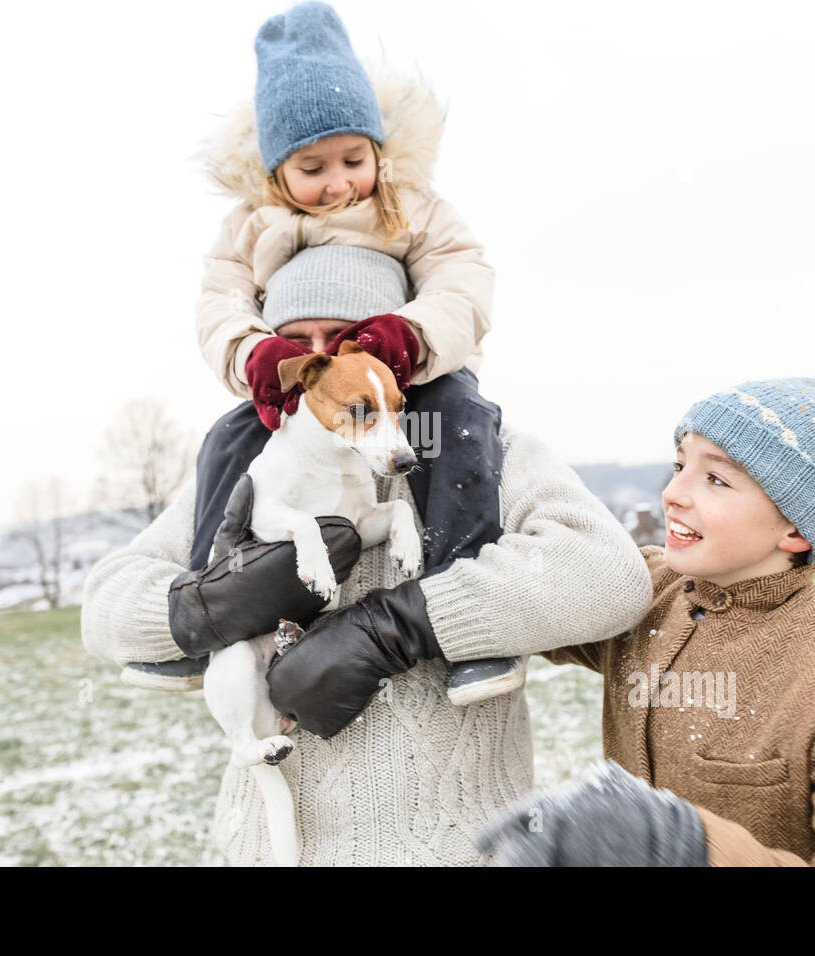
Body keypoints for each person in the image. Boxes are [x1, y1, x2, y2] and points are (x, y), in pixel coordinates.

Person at [79, 252, 654, 867]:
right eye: (299, 341)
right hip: (264, 849)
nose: (328, 358)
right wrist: (204, 608)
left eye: (349, 336)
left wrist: (396, 627)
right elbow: (104, 607)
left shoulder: (480, 448)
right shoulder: (260, 458)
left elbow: (609, 575)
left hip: (451, 850)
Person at [176, 0, 519, 700]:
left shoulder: (413, 207)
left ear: (378, 150)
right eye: (312, 166)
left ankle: (467, 610)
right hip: (297, 392)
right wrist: (254, 356)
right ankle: (208, 597)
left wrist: (411, 335)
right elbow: (219, 304)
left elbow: (463, 279)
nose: (338, 181)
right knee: (226, 440)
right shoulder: (250, 225)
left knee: (458, 421)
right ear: (276, 173)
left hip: (406, 381)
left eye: (354, 158)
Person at [477, 378, 815, 866]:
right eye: (679, 465)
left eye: (716, 479)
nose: (672, 493)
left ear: (797, 527)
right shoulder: (641, 589)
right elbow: (536, 597)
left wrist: (697, 850)